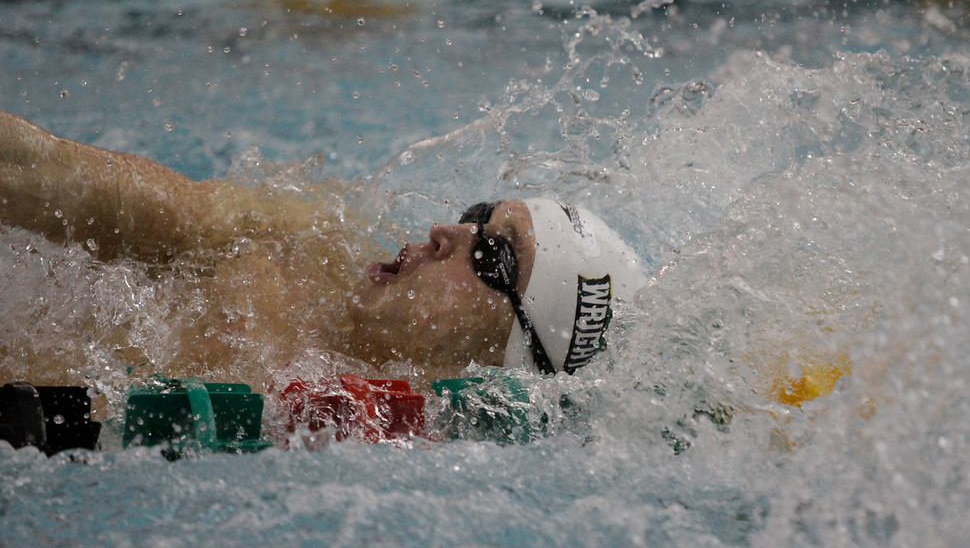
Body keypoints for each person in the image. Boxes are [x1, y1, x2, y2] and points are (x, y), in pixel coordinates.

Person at [0, 109, 646, 390]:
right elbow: (52, 177)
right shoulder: (287, 243)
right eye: (477, 216)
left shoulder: (355, 432)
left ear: (509, 351)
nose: (447, 232)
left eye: (492, 255)